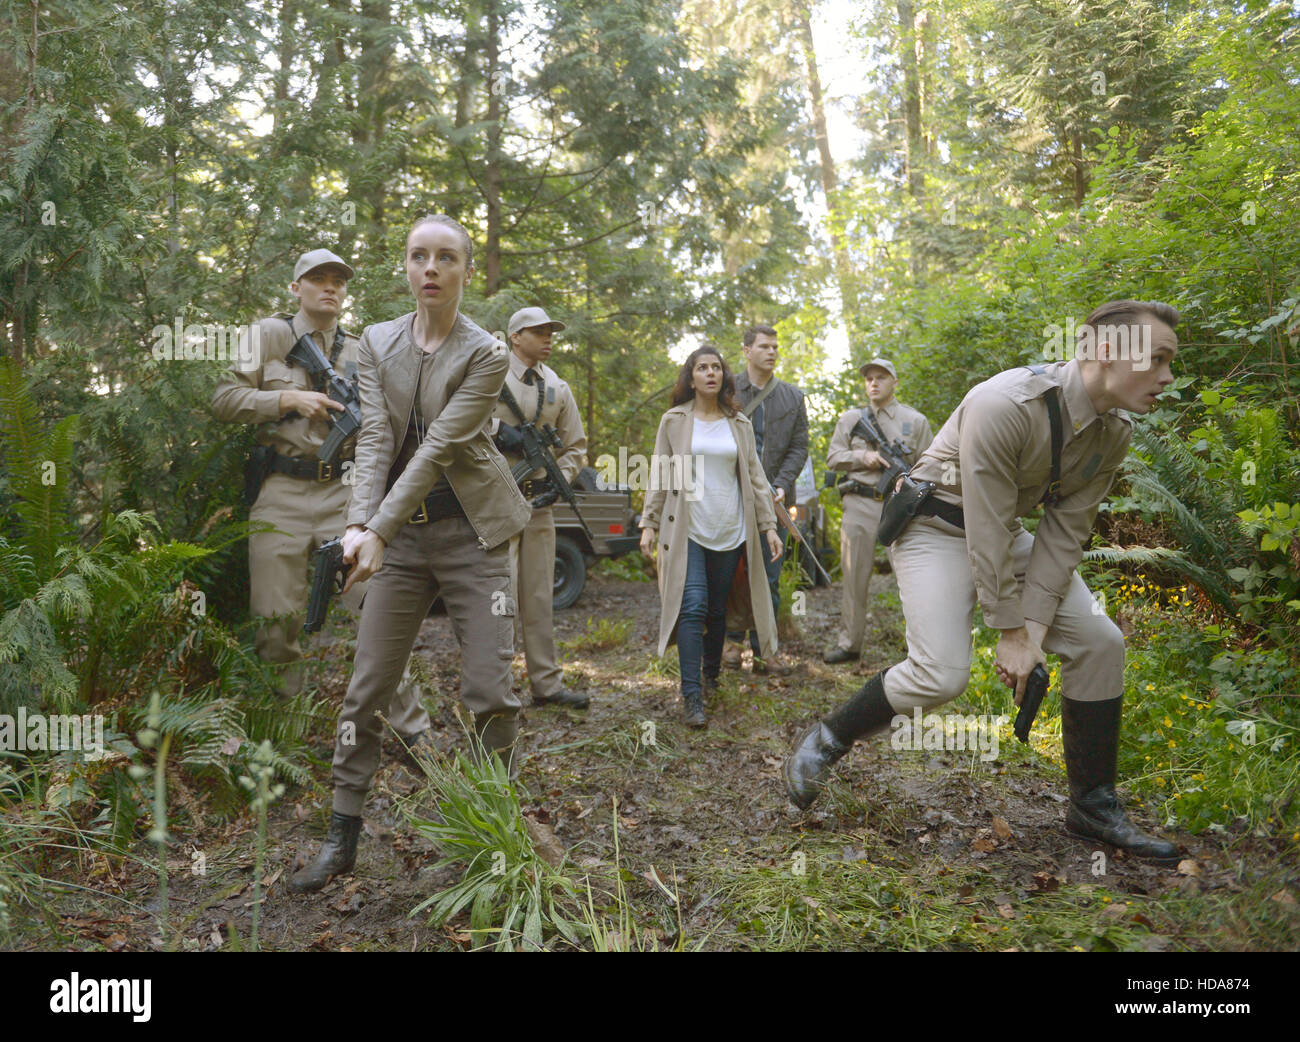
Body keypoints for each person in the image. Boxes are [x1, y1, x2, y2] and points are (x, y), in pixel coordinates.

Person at [785, 300, 1183, 862]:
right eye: (1158, 359)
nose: (1168, 376)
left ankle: (1092, 805)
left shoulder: (1114, 432)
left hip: (1002, 534)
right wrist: (1012, 631)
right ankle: (831, 737)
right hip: (936, 527)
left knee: (1101, 642)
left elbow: (1063, 536)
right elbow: (987, 523)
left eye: (1172, 362)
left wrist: (1033, 631)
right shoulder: (1006, 403)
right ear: (1100, 349)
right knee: (941, 675)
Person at [290, 216, 532, 893]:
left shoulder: (485, 352)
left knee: (488, 691)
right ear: (405, 266)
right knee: (365, 691)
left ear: (463, 270)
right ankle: (342, 836)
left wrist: (378, 530)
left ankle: (496, 828)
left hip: (475, 537)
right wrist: (357, 525)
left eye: (446, 258)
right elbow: (373, 442)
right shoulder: (375, 342)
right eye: (419, 256)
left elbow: (437, 450)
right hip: (400, 541)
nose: (431, 268)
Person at [210, 249, 431, 752]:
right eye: (317, 279)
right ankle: (280, 740)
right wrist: (287, 399)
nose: (329, 287)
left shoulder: (363, 349)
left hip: (346, 496)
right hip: (281, 492)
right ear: (296, 287)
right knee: (275, 620)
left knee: (378, 609)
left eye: (338, 280)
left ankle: (411, 730)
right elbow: (223, 398)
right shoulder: (267, 336)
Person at [640, 345, 782, 728]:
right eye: (702, 367)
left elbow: (756, 477)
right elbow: (660, 473)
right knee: (694, 605)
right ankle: (691, 696)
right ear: (690, 377)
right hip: (688, 527)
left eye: (716, 367)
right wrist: (649, 522)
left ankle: (711, 674)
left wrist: (768, 526)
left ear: (724, 376)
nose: (710, 373)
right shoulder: (674, 421)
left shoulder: (738, 424)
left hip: (731, 526)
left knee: (719, 608)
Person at [489, 306, 589, 709]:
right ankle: (494, 687)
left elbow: (575, 446)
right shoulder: (489, 373)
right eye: (539, 331)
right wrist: (501, 433)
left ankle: (546, 685)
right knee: (497, 597)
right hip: (494, 503)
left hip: (538, 505)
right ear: (516, 337)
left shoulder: (558, 387)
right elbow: (460, 423)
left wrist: (556, 479)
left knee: (538, 597)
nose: (548, 337)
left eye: (551, 331)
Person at [823, 358, 933, 664]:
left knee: (911, 579)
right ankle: (849, 644)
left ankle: (922, 648)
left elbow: (931, 465)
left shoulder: (916, 421)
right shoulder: (850, 419)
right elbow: (833, 458)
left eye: (881, 377)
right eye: (869, 378)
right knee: (854, 576)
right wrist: (863, 457)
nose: (873, 383)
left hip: (899, 509)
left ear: (894, 382)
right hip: (859, 503)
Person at [723, 324, 809, 676]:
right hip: (729, 497)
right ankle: (730, 642)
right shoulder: (727, 392)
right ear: (746, 351)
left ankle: (767, 650)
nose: (771, 352)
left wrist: (782, 484)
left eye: (775, 346)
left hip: (773, 499)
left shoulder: (792, 396)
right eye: (763, 346)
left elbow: (799, 447)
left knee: (768, 575)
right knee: (731, 573)